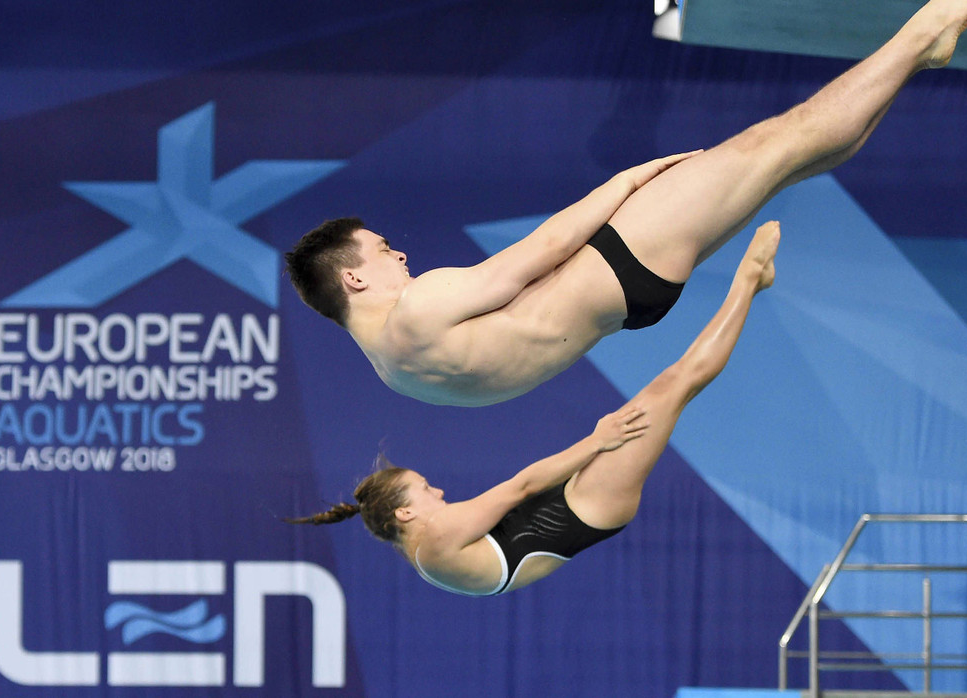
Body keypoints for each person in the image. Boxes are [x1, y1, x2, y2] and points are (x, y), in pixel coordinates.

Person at [284, 0, 967, 407]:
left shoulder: (396, 375)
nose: (399, 252)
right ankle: (928, 28)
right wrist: (623, 185)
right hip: (617, 257)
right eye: (382, 250)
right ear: (353, 277)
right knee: (783, 140)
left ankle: (921, 54)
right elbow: (537, 255)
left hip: (628, 300)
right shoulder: (417, 308)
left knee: (788, 162)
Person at [288, 222, 778, 595]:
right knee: (677, 383)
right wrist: (597, 442)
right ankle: (749, 281)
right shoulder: (436, 541)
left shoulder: (427, 550)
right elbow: (520, 487)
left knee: (673, 383)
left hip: (567, 509)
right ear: (406, 512)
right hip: (585, 508)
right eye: (423, 488)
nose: (436, 488)